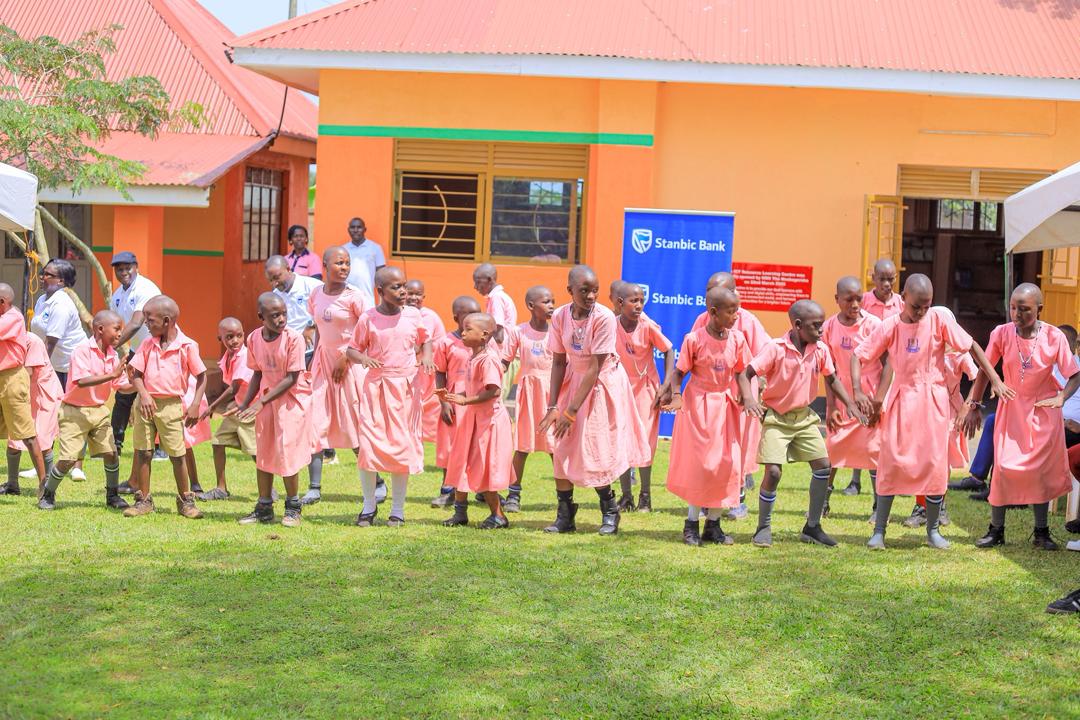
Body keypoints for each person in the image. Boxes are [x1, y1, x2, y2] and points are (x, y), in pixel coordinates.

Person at [853, 274, 1008, 550]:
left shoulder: (938, 320)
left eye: (927, 305)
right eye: (916, 306)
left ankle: (933, 530)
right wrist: (857, 390)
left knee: (935, 465)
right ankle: (879, 531)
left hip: (934, 403)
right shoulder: (890, 326)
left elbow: (970, 344)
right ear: (903, 298)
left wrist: (994, 378)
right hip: (902, 402)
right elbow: (859, 354)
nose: (921, 312)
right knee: (891, 462)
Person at [962, 284, 1078, 551]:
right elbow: (984, 369)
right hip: (1011, 408)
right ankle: (996, 530)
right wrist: (975, 404)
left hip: (1043, 411)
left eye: (1024, 309)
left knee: (1039, 473)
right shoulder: (1001, 333)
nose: (1016, 314)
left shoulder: (1054, 337)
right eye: (1013, 307)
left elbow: (1074, 373)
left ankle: (1041, 532)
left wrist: (1062, 398)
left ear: (1039, 309)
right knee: (1002, 468)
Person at [740, 300, 864, 548]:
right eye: (816, 326)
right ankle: (763, 528)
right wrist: (749, 398)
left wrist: (849, 402)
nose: (821, 330)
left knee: (823, 466)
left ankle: (813, 527)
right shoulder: (775, 348)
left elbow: (832, 378)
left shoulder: (820, 349)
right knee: (773, 472)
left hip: (804, 418)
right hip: (777, 418)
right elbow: (746, 373)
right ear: (797, 326)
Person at [538, 265, 650, 536]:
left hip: (600, 385)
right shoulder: (561, 316)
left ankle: (610, 511)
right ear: (570, 291)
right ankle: (565, 515)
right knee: (561, 447)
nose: (591, 296)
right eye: (584, 291)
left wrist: (571, 412)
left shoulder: (603, 318)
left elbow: (594, 368)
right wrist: (555, 407)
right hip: (573, 382)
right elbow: (558, 361)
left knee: (596, 448)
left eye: (595, 291)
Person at [346, 266, 433, 527]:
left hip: (406, 389)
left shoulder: (413, 315)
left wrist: (426, 356)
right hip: (376, 388)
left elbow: (425, 339)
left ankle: (397, 509)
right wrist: (364, 358)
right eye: (396, 287)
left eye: (404, 285)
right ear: (380, 291)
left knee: (401, 448)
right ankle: (369, 506)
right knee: (369, 447)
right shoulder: (367, 318)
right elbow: (352, 350)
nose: (403, 291)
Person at [662, 287, 748, 546]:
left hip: (724, 406)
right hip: (699, 406)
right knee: (702, 465)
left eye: (737, 310)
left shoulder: (737, 340)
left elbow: (741, 372)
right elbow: (679, 372)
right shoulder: (694, 339)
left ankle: (713, 524)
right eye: (731, 311)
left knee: (725, 464)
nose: (736, 316)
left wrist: (749, 397)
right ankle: (691, 524)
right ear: (713, 312)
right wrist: (676, 395)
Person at [230, 293, 316, 528]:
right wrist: (246, 403)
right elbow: (257, 373)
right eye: (275, 315)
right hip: (267, 399)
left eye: (284, 314)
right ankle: (264, 507)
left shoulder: (294, 339)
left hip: (291, 401)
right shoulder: (254, 338)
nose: (281, 319)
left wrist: (261, 402)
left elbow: (291, 378)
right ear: (261, 317)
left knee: (286, 451)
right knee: (264, 450)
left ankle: (293, 506)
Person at [692, 271, 770, 519]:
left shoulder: (747, 321)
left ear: (735, 294)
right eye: (708, 290)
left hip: (742, 394)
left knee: (739, 446)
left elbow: (764, 353)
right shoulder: (703, 319)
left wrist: (755, 387)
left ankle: (738, 499)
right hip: (712, 397)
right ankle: (708, 499)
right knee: (711, 448)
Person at [123, 295, 207, 519]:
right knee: (144, 451)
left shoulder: (187, 346)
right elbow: (136, 374)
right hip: (146, 403)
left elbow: (201, 377)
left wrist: (196, 404)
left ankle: (186, 500)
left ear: (167, 321)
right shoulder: (147, 344)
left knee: (177, 454)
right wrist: (144, 395)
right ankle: (143, 500)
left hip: (171, 404)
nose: (146, 325)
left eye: (150, 320)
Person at [36, 310, 129, 510]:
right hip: (74, 412)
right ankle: (48, 493)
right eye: (117, 329)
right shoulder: (82, 350)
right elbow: (82, 381)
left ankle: (112, 496)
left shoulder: (112, 355)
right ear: (100, 329)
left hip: (98, 410)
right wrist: (112, 374)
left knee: (111, 453)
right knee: (68, 459)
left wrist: (139, 381)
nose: (120, 333)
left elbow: (121, 384)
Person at [301, 246, 370, 505]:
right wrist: (315, 358)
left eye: (347, 263)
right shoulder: (316, 294)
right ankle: (314, 487)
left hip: (349, 366)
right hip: (322, 364)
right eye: (339, 263)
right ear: (326, 266)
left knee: (353, 423)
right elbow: (319, 328)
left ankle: (377, 482)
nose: (344, 267)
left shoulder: (355, 297)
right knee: (315, 421)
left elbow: (367, 332)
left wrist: (345, 357)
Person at [438, 313, 513, 529]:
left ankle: (498, 515)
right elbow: (474, 387)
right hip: (473, 419)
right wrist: (454, 395)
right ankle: (460, 513)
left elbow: (493, 391)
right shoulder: (474, 356)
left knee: (485, 466)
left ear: (484, 335)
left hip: (487, 422)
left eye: (468, 329)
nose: (462, 332)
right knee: (461, 461)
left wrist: (465, 400)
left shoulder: (488, 359)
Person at [820, 276, 884, 521]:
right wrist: (829, 405)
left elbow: (887, 362)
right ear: (837, 300)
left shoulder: (874, 325)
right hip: (842, 394)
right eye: (849, 299)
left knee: (874, 450)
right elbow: (829, 370)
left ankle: (879, 507)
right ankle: (823, 501)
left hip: (869, 395)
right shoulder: (828, 327)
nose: (855, 304)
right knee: (833, 448)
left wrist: (879, 399)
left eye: (859, 298)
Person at [612, 281, 673, 512]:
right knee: (622, 440)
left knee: (646, 441)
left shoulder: (647, 325)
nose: (638, 305)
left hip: (646, 390)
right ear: (620, 303)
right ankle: (626, 496)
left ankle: (645, 496)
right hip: (621, 388)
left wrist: (666, 384)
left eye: (641, 301)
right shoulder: (611, 325)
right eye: (633, 301)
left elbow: (668, 349)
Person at [108, 251, 163, 483]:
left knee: (155, 396)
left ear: (136, 267)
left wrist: (111, 346)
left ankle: (161, 447)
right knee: (123, 394)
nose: (123, 272)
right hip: (137, 350)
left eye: (127, 268)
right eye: (119, 269)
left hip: (156, 349)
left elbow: (137, 322)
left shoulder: (146, 288)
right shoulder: (118, 294)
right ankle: (114, 444)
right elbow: (116, 323)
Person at [501, 286, 555, 513]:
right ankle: (513, 494)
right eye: (546, 302)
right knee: (522, 446)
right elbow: (504, 361)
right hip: (527, 394)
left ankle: (565, 496)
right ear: (531, 306)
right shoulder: (518, 332)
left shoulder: (557, 333)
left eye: (553, 301)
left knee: (556, 447)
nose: (552, 306)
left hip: (551, 395)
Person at [198, 317, 255, 500]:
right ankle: (221, 488)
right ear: (220, 339)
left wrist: (212, 406)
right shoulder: (227, 357)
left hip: (249, 411)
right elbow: (228, 385)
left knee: (255, 451)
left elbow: (234, 388)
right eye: (229, 337)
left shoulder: (244, 356)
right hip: (235, 410)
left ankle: (268, 489)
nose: (235, 341)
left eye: (239, 336)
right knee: (218, 442)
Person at [430, 296, 480, 508]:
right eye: (468, 316)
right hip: (453, 402)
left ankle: (482, 489)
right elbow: (440, 372)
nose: (474, 320)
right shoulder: (446, 342)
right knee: (450, 448)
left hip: (476, 402)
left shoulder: (483, 342)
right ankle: (448, 490)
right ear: (456, 318)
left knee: (477, 447)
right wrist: (443, 402)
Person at [0, 283, 47, 495]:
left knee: (26, 434)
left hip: (11, 379)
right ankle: (12, 483)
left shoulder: (13, 317)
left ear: (2, 302)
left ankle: (45, 485)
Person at [8, 333, 62, 496]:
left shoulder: (33, 341)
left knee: (43, 441)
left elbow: (28, 371)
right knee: (14, 438)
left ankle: (46, 487)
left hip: (44, 395)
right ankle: (12, 484)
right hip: (23, 392)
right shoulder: (7, 340)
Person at [31, 259, 88, 389]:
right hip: (55, 363)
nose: (41, 277)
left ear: (61, 281)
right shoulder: (42, 300)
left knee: (69, 407)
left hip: (72, 367)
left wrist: (37, 371)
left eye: (47, 274)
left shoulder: (61, 304)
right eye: (42, 273)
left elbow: (50, 343)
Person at [405, 279, 447, 448]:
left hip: (429, 369)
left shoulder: (426, 316)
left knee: (424, 408)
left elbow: (417, 345)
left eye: (418, 294)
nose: (413, 297)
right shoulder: (406, 313)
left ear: (424, 296)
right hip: (418, 368)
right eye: (410, 293)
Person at [265, 255, 321, 351]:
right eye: (271, 280)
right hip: (288, 350)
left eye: (277, 277)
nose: (275, 284)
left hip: (312, 349)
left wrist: (311, 326)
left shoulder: (312, 286)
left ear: (288, 269)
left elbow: (326, 309)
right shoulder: (275, 296)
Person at [344, 217, 386, 307]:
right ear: (348, 230)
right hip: (345, 299)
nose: (355, 230)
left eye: (359, 227)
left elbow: (382, 276)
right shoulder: (343, 250)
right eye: (352, 227)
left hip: (367, 299)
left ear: (365, 229)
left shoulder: (375, 248)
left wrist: (382, 301)